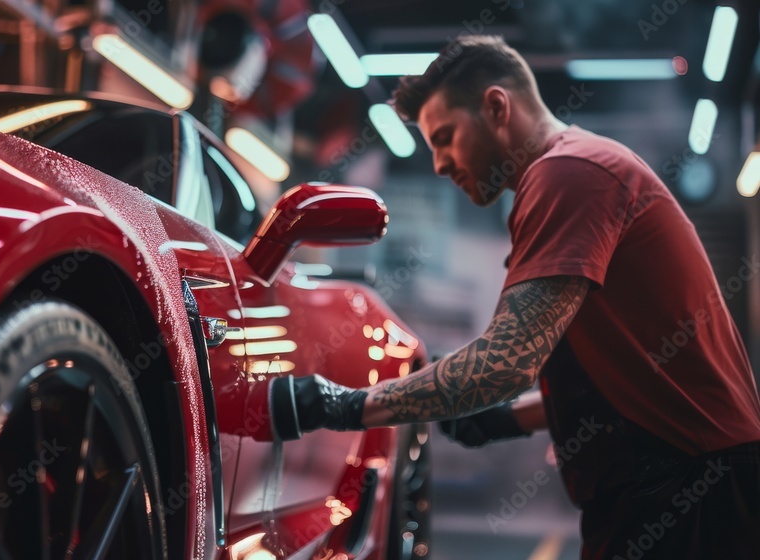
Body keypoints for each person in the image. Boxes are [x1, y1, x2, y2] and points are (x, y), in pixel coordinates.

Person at [264, 35, 760, 558]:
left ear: (496, 107)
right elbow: (626, 377)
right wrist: (506, 419)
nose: (438, 163)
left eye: (446, 137)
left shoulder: (569, 172)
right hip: (684, 479)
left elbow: (504, 363)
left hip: (689, 488)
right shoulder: (574, 171)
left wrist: (341, 405)